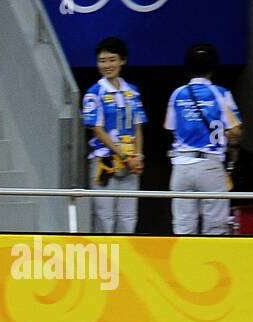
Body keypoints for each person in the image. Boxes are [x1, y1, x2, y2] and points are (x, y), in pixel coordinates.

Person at [164, 43, 242, 235]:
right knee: (216, 228)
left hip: (181, 166)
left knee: (183, 228)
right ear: (213, 66)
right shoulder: (221, 93)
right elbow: (236, 131)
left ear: (188, 66)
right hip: (210, 166)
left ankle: (185, 265)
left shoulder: (177, 94)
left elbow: (170, 126)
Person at [82, 37, 145, 234]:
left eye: (111, 59)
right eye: (102, 61)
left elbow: (138, 126)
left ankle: (125, 263)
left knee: (128, 218)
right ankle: (103, 264)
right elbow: (97, 130)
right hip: (105, 164)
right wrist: (124, 156)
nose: (107, 65)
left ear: (122, 61)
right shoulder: (94, 93)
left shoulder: (132, 91)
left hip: (131, 164)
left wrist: (138, 155)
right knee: (104, 218)